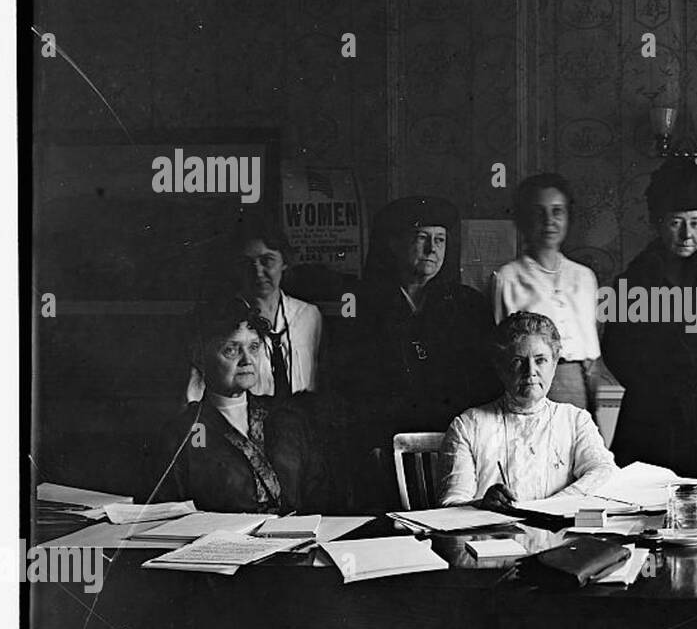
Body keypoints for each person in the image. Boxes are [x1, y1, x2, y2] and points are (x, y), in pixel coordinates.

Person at [602, 161, 697, 475]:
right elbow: (616, 350)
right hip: (649, 417)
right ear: (658, 224)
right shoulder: (633, 282)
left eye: (696, 223)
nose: (688, 234)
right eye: (676, 223)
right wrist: (653, 387)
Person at [143, 297, 329, 512]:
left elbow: (319, 498)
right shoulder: (181, 434)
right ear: (199, 356)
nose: (247, 360)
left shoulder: (287, 418)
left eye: (254, 347)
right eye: (231, 350)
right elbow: (166, 516)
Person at [343, 196, 499, 450]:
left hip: (456, 440)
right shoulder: (365, 306)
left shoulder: (469, 305)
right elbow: (356, 387)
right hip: (387, 442)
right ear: (395, 243)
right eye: (421, 237)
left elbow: (486, 383)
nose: (432, 250)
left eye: (440, 240)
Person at [439, 312, 617, 509]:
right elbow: (451, 503)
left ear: (555, 363)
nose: (530, 371)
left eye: (540, 360)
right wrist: (482, 504)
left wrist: (549, 506)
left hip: (557, 537)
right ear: (500, 366)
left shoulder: (575, 420)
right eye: (518, 361)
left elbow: (604, 471)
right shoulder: (469, 425)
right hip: (492, 537)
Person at [490, 174, 601, 414]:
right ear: (523, 220)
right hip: (532, 383)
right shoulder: (508, 277)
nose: (549, 221)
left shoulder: (584, 277)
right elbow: (502, 351)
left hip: (581, 384)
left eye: (557, 211)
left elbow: (591, 351)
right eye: (539, 213)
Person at [185, 216, 323, 402]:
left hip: (300, 423)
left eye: (267, 261)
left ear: (285, 262)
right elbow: (195, 389)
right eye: (246, 264)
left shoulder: (309, 316)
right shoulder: (219, 318)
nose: (257, 272)